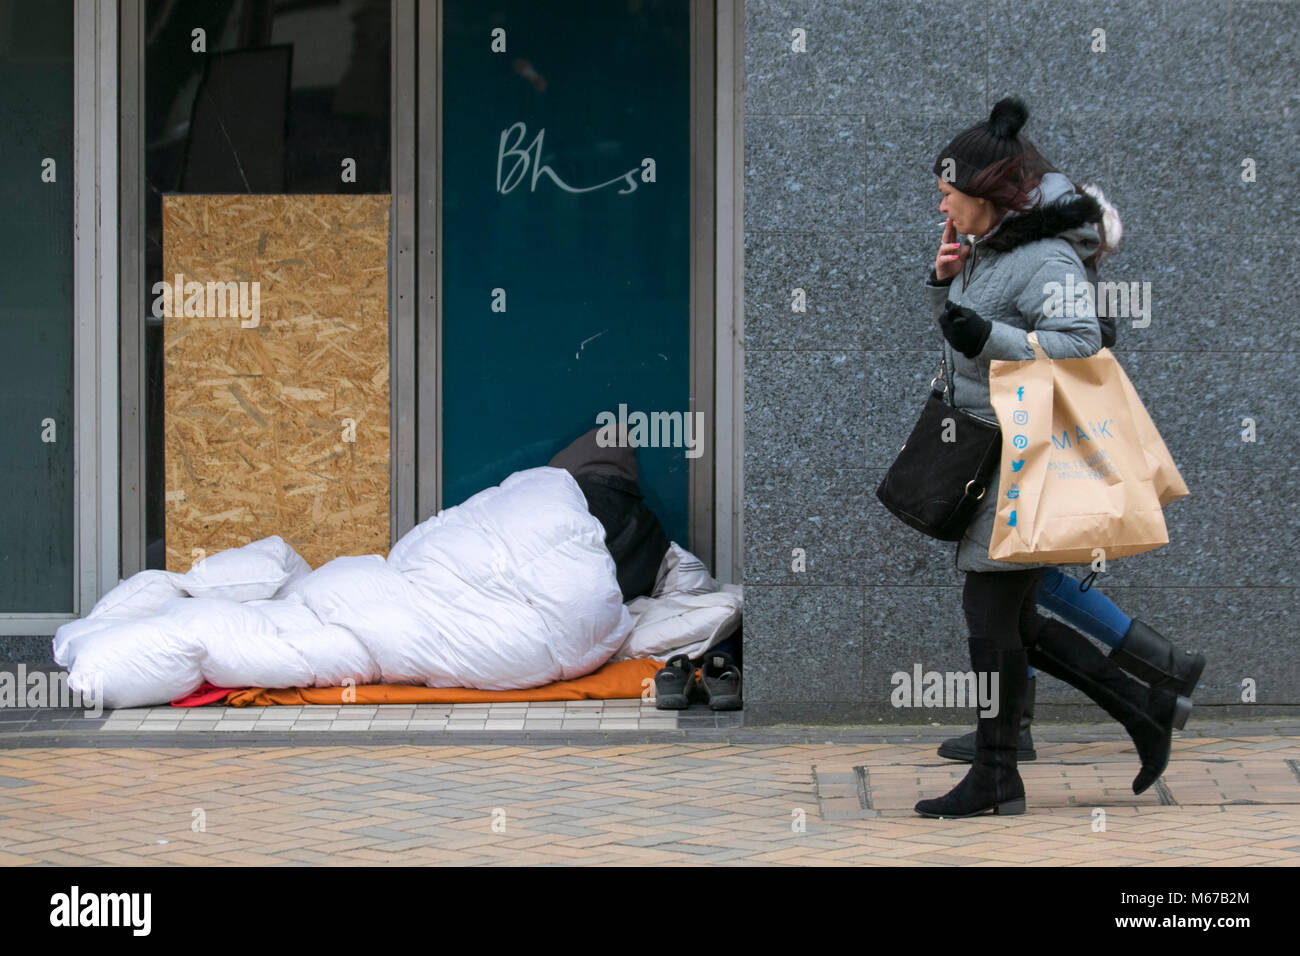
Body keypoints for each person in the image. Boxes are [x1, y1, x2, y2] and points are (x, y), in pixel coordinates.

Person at [912, 98, 1188, 819]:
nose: (939, 200)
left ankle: (1003, 771)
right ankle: (1143, 707)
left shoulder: (1045, 256)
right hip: (989, 451)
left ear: (987, 194)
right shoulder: (990, 249)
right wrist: (948, 289)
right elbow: (979, 335)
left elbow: (1081, 341)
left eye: (948, 190)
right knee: (1010, 620)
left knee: (992, 616)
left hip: (1023, 460)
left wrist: (987, 334)